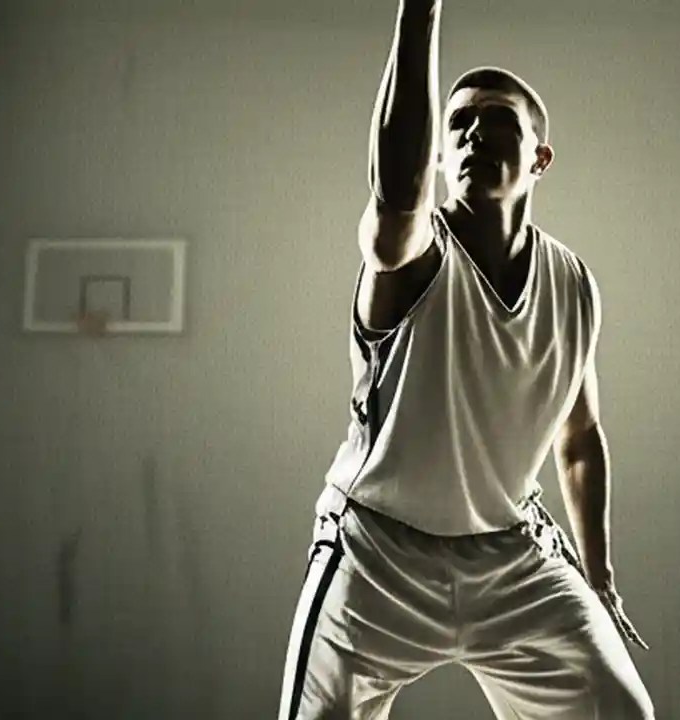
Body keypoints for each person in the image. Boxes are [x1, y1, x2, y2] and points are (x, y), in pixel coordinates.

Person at [277, 1, 655, 717]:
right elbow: (396, 193)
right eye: (460, 124)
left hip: (510, 555)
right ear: (441, 156)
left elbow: (578, 441)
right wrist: (420, 12)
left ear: (540, 157)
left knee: (622, 711)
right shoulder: (412, 256)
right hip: (377, 556)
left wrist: (599, 577)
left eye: (500, 121)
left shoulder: (573, 283)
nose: (476, 132)